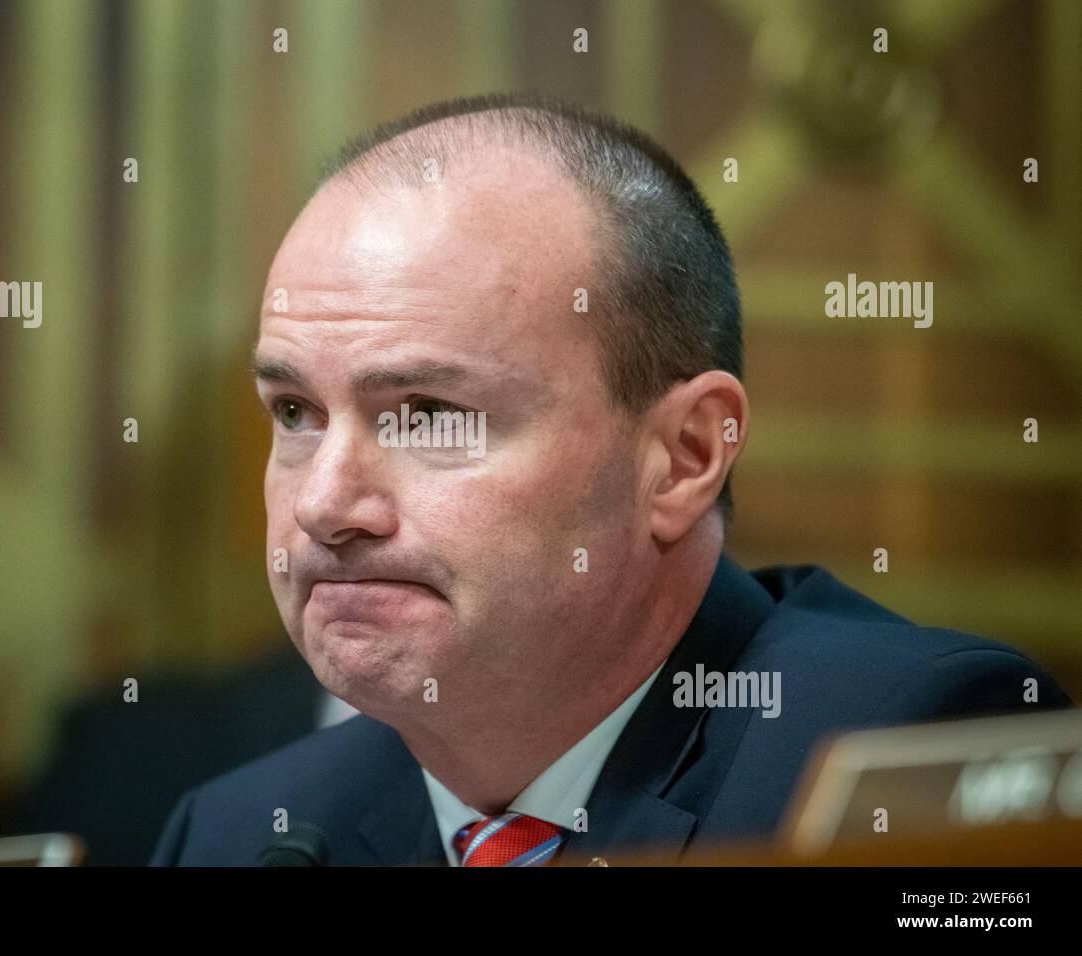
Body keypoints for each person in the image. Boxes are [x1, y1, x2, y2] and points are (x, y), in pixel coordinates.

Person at [151, 93, 1071, 866]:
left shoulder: (896, 747)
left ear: (684, 458)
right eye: (295, 414)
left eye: (430, 414)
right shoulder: (236, 834)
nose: (323, 506)